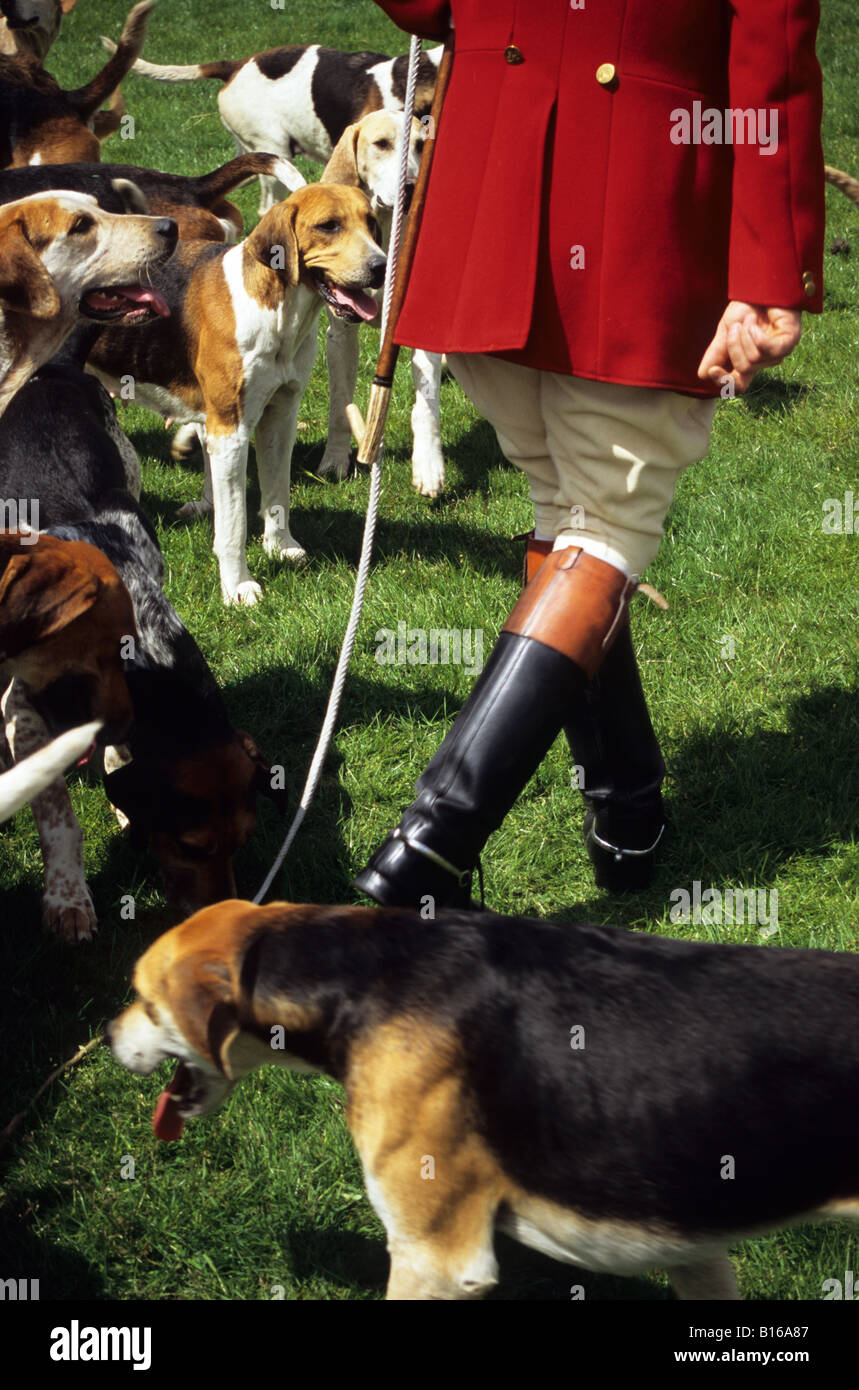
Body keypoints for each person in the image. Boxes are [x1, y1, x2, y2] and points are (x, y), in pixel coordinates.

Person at [354, 0, 825, 909]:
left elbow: (423, 9)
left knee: (567, 523)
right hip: (629, 198)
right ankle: (428, 852)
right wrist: (769, 267)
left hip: (483, 196)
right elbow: (766, 59)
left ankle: (626, 807)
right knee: (602, 527)